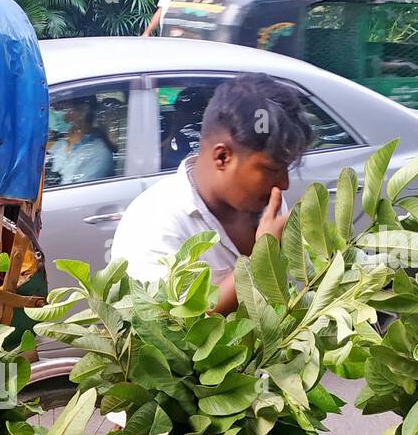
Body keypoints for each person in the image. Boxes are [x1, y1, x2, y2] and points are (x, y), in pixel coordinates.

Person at [109, 73, 313, 313]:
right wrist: (261, 259)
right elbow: (167, 328)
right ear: (222, 157)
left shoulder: (267, 206)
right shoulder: (152, 223)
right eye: (273, 169)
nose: (285, 183)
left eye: (286, 168)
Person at [47, 95, 115, 185]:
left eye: (62, 107)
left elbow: (75, 195)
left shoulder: (98, 154)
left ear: (83, 111)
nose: (57, 112)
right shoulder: (62, 143)